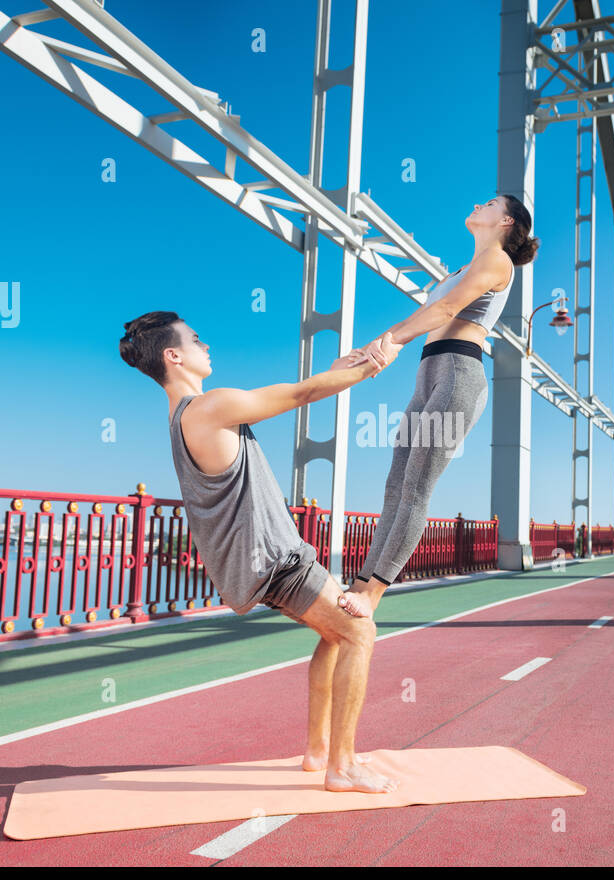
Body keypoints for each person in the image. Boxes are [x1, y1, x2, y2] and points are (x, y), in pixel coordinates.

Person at [118, 311, 403, 794]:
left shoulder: (181, 416)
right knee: (358, 632)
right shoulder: (209, 406)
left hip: (263, 561)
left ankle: (318, 752)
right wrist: (373, 366)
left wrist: (348, 364)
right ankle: (344, 767)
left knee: (335, 637)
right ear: (173, 355)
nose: (205, 344)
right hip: (275, 559)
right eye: (196, 338)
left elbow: (310, 383)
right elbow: (301, 393)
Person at [336, 194, 540, 619]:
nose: (477, 204)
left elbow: (447, 309)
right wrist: (373, 346)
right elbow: (427, 312)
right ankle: (360, 579)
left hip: (459, 374)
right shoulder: (458, 270)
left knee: (416, 486)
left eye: (488, 203)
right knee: (395, 484)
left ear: (505, 220)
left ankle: (373, 593)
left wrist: (391, 342)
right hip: (427, 373)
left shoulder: (499, 262)